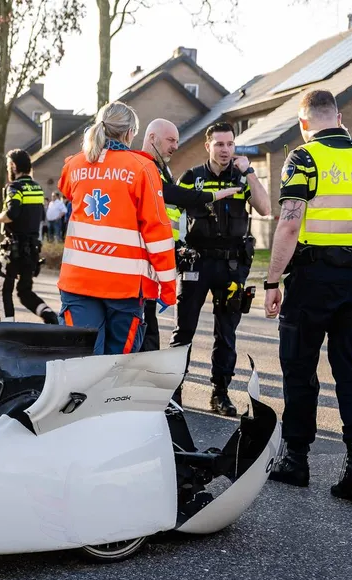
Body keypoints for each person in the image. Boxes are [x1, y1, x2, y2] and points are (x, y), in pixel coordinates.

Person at [262, 89, 352, 501]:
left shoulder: (303, 158)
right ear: (339, 117)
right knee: (351, 372)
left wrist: (272, 281)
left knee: (299, 369)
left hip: (311, 281)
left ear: (303, 123)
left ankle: (297, 461)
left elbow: (289, 227)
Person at [56, 101, 176, 355]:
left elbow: (66, 190)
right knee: (115, 368)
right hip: (125, 287)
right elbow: (158, 232)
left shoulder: (74, 165)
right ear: (130, 132)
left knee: (80, 361)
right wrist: (168, 286)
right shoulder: (142, 168)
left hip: (78, 282)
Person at [171, 122, 272, 417]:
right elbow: (169, 213)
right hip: (196, 263)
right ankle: (174, 394)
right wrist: (176, 248)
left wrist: (250, 172)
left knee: (226, 334)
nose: (226, 150)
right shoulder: (191, 178)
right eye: (219, 144)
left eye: (230, 144)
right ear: (208, 146)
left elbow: (265, 208)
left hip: (231, 266)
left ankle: (220, 394)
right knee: (183, 331)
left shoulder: (243, 178)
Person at [137, 118, 240, 355]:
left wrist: (174, 248)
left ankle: (154, 388)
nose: (175, 146)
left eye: (230, 144)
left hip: (156, 262)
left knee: (148, 328)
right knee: (149, 330)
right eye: (171, 140)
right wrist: (213, 196)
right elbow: (175, 196)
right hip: (143, 263)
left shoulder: (161, 168)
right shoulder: (147, 167)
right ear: (152, 138)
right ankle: (165, 390)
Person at [0, 148, 59, 324]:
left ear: (13, 166)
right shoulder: (37, 189)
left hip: (13, 250)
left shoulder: (14, 187)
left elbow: (12, 213)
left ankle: (6, 329)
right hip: (32, 250)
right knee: (24, 291)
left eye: (7, 165)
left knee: (3, 291)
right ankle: (50, 316)